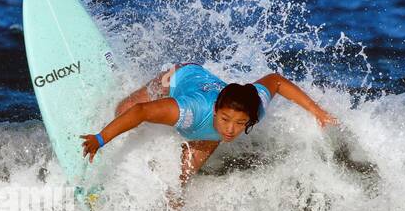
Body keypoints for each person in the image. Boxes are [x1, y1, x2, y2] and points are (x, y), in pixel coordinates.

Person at [80, 64, 339, 186]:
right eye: (225, 119)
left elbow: (276, 81)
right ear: (216, 110)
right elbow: (140, 112)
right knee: (122, 110)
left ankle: (175, 205)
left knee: (181, 180)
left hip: (206, 133)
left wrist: (318, 113)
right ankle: (106, 132)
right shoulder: (190, 110)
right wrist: (100, 139)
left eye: (240, 124)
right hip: (181, 76)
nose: (230, 129)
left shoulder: (255, 105)